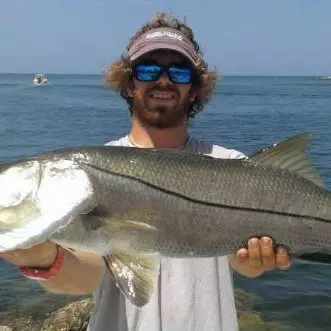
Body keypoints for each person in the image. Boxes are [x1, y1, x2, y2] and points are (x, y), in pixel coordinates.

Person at [0, 12, 291, 331]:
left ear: (195, 89)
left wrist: (253, 261)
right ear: (128, 83)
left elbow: (244, 265)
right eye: (148, 69)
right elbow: (85, 274)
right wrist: (41, 257)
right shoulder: (93, 171)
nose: (163, 80)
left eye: (179, 72)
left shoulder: (233, 164)